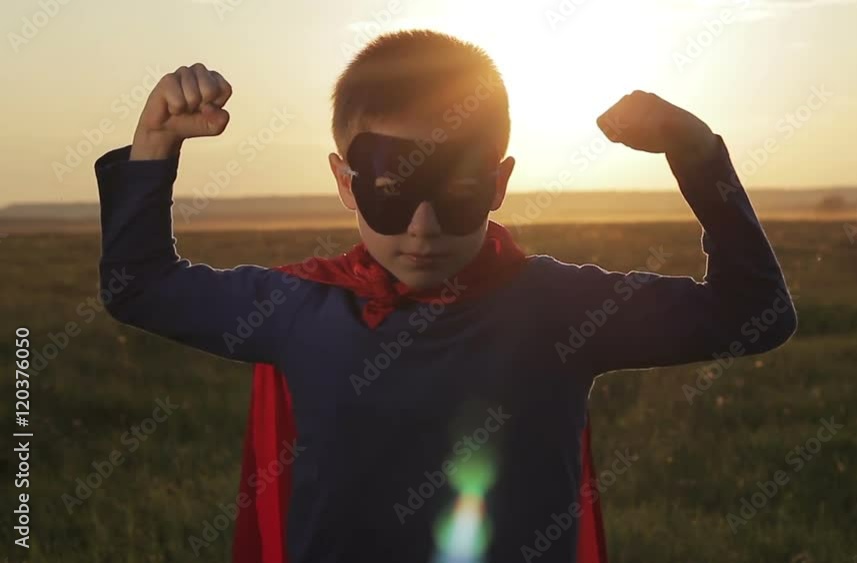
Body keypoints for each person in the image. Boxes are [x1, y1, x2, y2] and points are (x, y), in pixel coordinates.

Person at [95, 29, 797, 563]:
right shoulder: (300, 306)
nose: (424, 229)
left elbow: (752, 316)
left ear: (498, 182)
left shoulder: (564, 310)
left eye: (456, 191)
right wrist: (155, 141)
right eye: (392, 190)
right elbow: (140, 288)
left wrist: (698, 153)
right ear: (345, 183)